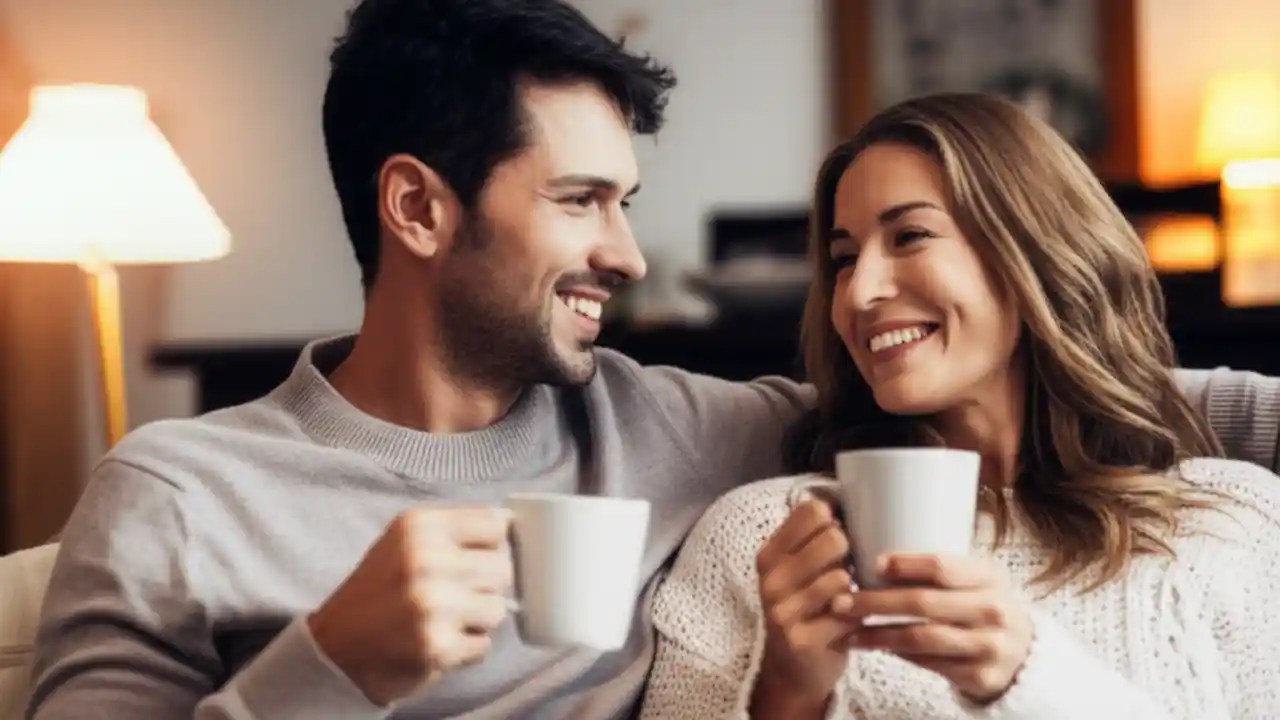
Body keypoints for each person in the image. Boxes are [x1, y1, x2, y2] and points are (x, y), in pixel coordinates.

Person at [24, 2, 1279, 718]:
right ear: (416, 209)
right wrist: (327, 672)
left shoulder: (685, 431)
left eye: (625, 202)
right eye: (579, 201)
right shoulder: (180, 496)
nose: (625, 255)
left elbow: (1026, 395)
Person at [639, 93, 1280, 720]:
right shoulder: (760, 539)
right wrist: (785, 694)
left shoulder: (1236, 525)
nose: (860, 292)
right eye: (844, 259)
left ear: (1034, 254)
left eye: (910, 236)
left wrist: (1030, 675)